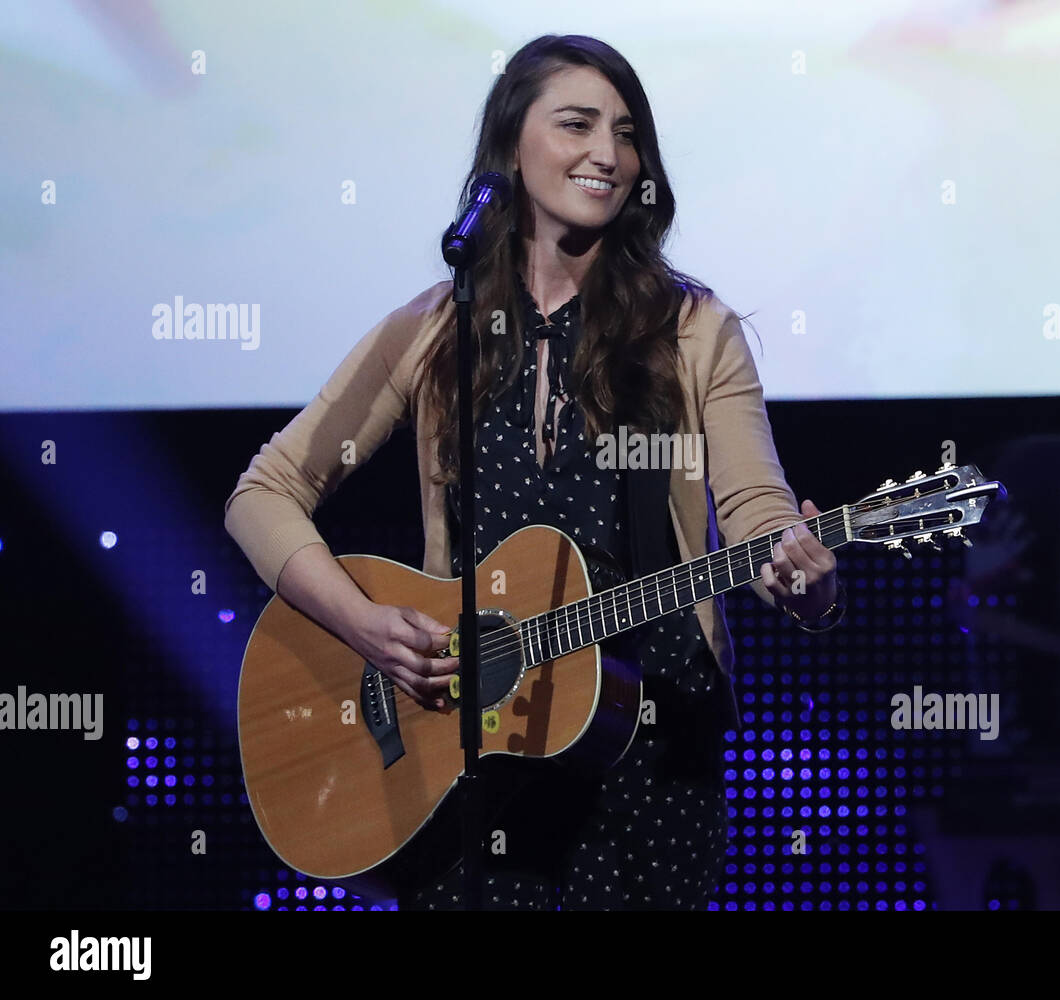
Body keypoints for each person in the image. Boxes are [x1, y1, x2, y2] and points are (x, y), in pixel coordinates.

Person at [224, 34, 845, 911]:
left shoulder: (694, 328)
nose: (608, 154)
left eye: (627, 134)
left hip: (649, 749)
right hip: (474, 758)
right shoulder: (436, 327)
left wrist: (804, 579)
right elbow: (263, 494)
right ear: (512, 145)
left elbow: (756, 514)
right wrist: (362, 624)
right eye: (578, 125)